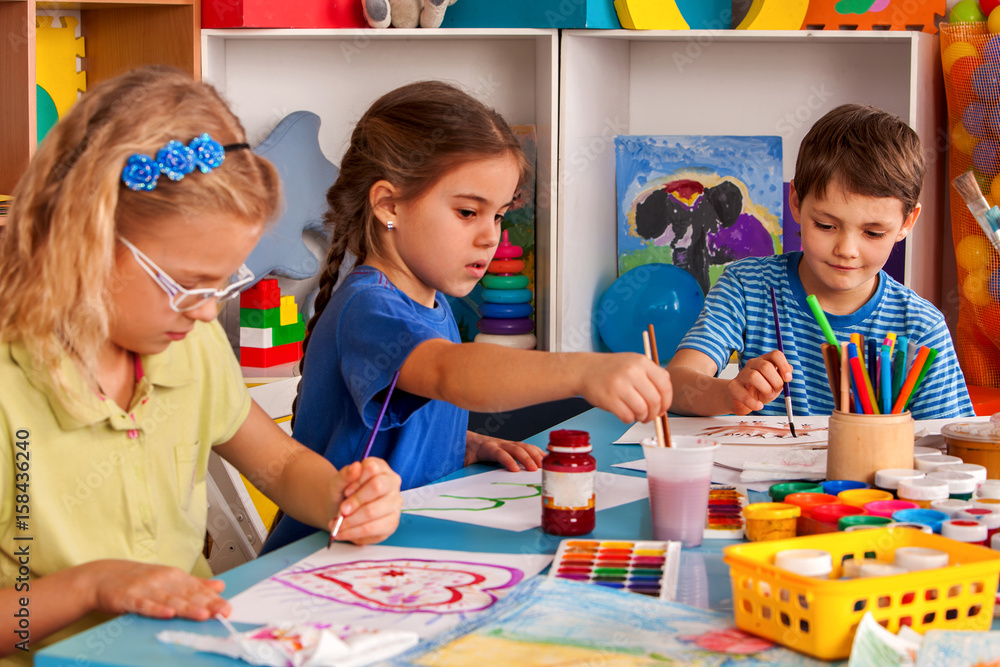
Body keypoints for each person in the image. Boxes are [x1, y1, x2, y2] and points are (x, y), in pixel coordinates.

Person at [0, 66, 403, 663]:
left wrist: (343, 498)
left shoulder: (190, 342)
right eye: (186, 284)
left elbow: (283, 465)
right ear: (84, 235)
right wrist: (91, 588)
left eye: (222, 283)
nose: (209, 310)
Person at [263, 81, 673, 552]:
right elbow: (446, 372)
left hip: (394, 548)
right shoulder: (369, 306)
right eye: (466, 212)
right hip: (320, 559)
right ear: (389, 205)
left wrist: (464, 442)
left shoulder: (431, 303)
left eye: (498, 216)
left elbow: (390, 425)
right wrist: (583, 370)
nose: (490, 237)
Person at [667, 103, 974, 420]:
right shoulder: (748, 288)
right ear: (797, 203)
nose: (846, 249)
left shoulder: (921, 327)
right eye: (826, 226)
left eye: (872, 232)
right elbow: (676, 384)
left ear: (907, 223)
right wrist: (730, 394)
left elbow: (946, 448)